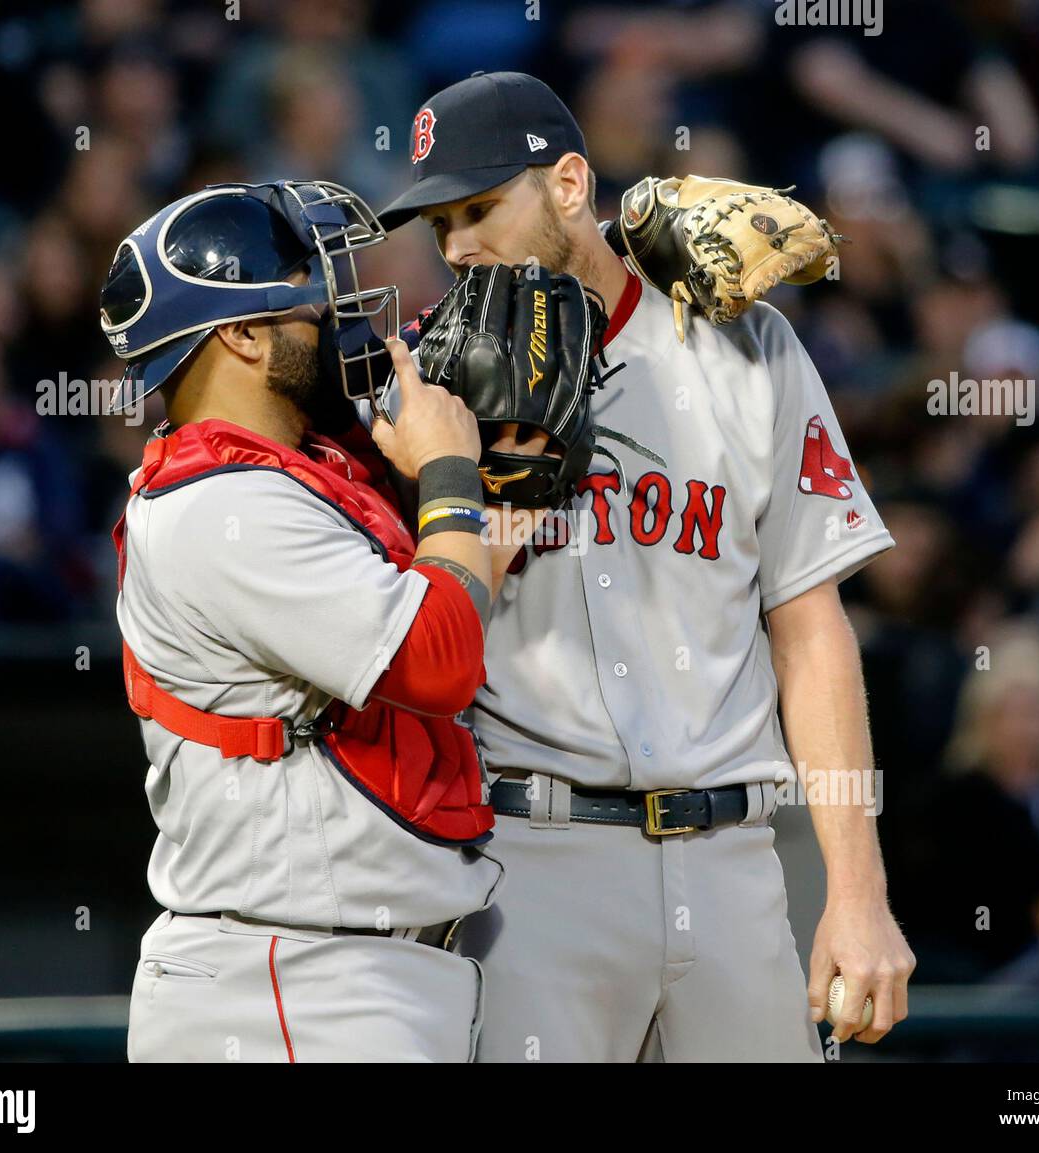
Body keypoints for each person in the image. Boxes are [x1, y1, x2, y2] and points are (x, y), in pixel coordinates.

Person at [376, 72, 915, 1061]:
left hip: (735, 862)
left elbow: (810, 630)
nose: (455, 248)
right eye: (440, 223)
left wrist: (857, 892)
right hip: (529, 861)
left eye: (480, 209)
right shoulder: (427, 392)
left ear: (570, 183)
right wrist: (456, 470)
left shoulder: (744, 344)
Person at [102, 179, 528, 1061]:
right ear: (243, 335)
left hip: (351, 971)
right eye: (314, 296)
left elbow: (458, 581)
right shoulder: (225, 509)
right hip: (291, 984)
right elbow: (440, 656)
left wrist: (510, 472)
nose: (344, 316)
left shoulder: (300, 473)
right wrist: (449, 470)